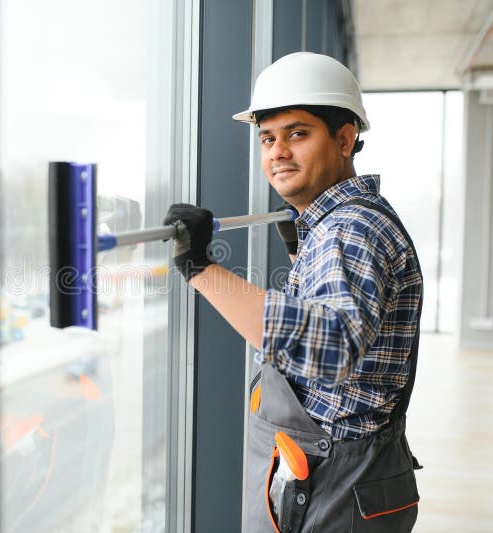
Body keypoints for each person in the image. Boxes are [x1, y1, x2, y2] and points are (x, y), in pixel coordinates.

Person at [163, 52, 423, 532]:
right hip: (347, 478)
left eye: (297, 134)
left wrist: (199, 268)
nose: (278, 151)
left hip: (336, 489)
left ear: (344, 139)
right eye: (268, 138)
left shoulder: (348, 229)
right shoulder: (347, 221)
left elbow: (332, 347)